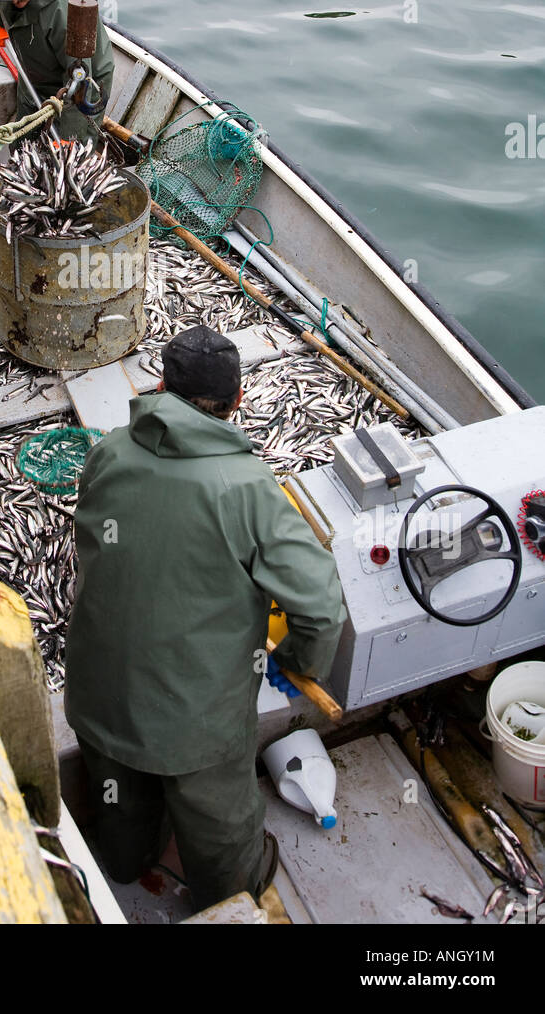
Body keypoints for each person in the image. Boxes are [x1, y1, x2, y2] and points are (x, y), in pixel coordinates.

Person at [64, 325, 347, 914]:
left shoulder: (108, 450)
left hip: (98, 694)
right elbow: (320, 606)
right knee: (221, 828)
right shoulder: (248, 487)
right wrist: (295, 662)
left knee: (118, 800)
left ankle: (123, 862)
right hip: (193, 724)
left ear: (161, 387)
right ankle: (228, 898)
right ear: (237, 402)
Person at [0, 0, 115, 144]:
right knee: (22, 143)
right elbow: (2, 5)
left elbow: (80, 80)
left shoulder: (66, 9)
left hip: (81, 84)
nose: (13, 1)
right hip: (34, 77)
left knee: (70, 156)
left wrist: (68, 138)